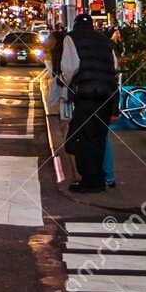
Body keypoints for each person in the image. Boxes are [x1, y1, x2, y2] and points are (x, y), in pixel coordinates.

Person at [60, 13, 118, 194]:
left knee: (82, 138)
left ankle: (89, 181)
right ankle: (98, 179)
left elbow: (70, 68)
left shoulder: (71, 38)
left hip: (85, 95)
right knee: (98, 139)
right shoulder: (104, 40)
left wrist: (63, 82)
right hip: (107, 95)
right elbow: (114, 65)